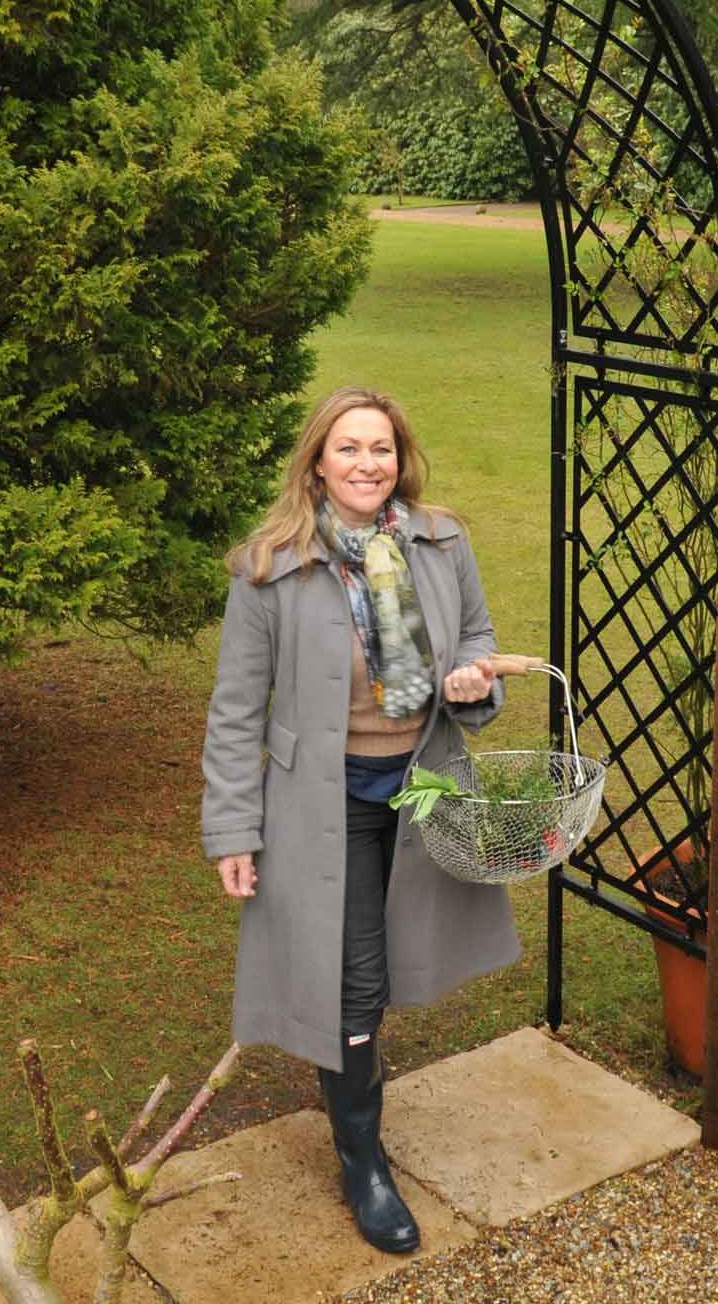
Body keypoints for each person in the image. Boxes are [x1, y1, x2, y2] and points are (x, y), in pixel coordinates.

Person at [201, 385, 519, 1254]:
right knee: (350, 978)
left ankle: (355, 1103)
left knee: (399, 955)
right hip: (323, 801)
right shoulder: (270, 567)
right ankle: (362, 1159)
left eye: (380, 449)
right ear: (316, 461)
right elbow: (235, 710)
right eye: (349, 449)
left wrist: (469, 679)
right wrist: (233, 829)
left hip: (420, 786)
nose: (367, 465)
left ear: (399, 457)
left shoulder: (441, 542)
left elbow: (475, 642)